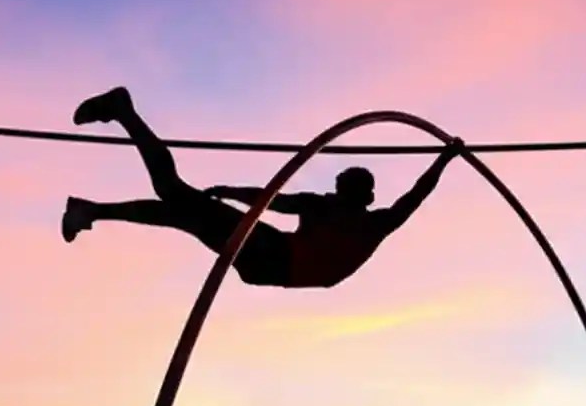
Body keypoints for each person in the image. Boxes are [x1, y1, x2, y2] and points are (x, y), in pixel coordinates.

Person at [61, 86, 463, 289]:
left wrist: (446, 158)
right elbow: (274, 200)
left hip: (269, 261)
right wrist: (231, 192)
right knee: (175, 199)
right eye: (339, 186)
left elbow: (416, 194)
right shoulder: (325, 206)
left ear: (364, 196)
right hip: (268, 254)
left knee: (177, 203)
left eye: (344, 188)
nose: (336, 192)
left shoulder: (373, 222)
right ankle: (98, 189)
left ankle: (93, 202)